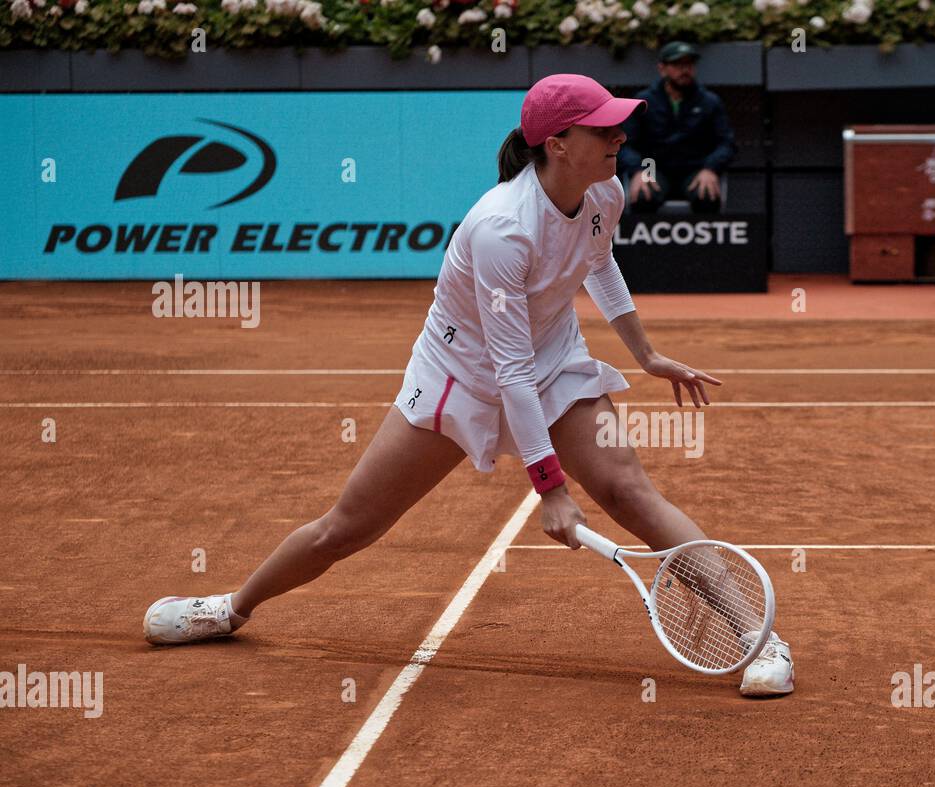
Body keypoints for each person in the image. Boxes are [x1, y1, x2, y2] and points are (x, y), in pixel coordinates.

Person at [141, 73, 794, 698]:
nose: (620, 138)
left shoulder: (605, 192)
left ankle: (758, 639)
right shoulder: (501, 229)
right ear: (557, 145)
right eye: (604, 130)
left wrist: (646, 354)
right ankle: (230, 607)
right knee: (346, 528)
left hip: (554, 357)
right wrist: (552, 492)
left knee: (629, 489)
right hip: (460, 377)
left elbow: (597, 265)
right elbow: (509, 374)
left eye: (618, 126)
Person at [618, 42, 737, 215]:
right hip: (652, 168)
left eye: (689, 64)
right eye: (677, 64)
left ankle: (703, 243)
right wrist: (637, 171)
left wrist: (710, 168)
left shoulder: (710, 102)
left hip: (696, 170)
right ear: (662, 69)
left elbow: (727, 144)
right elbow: (625, 144)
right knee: (643, 195)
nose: (684, 70)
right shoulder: (644, 101)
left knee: (707, 195)